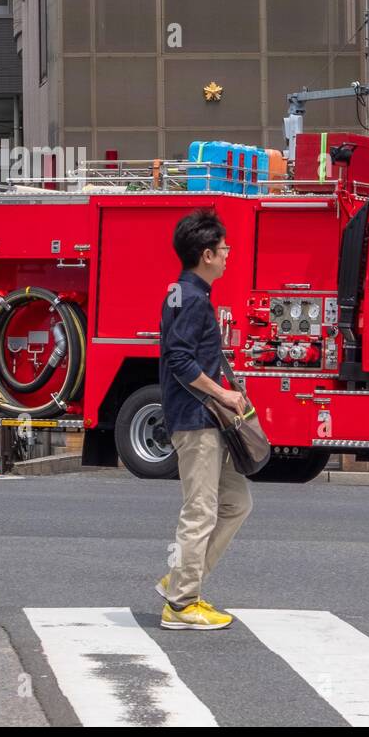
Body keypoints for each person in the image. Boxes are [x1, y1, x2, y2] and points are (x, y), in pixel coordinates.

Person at [156, 209, 253, 631]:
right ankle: (180, 605)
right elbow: (179, 359)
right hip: (195, 420)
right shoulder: (193, 298)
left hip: (200, 418)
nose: (229, 254)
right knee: (200, 512)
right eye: (225, 248)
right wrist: (223, 393)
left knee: (236, 503)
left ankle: (181, 579)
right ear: (208, 254)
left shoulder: (182, 291)